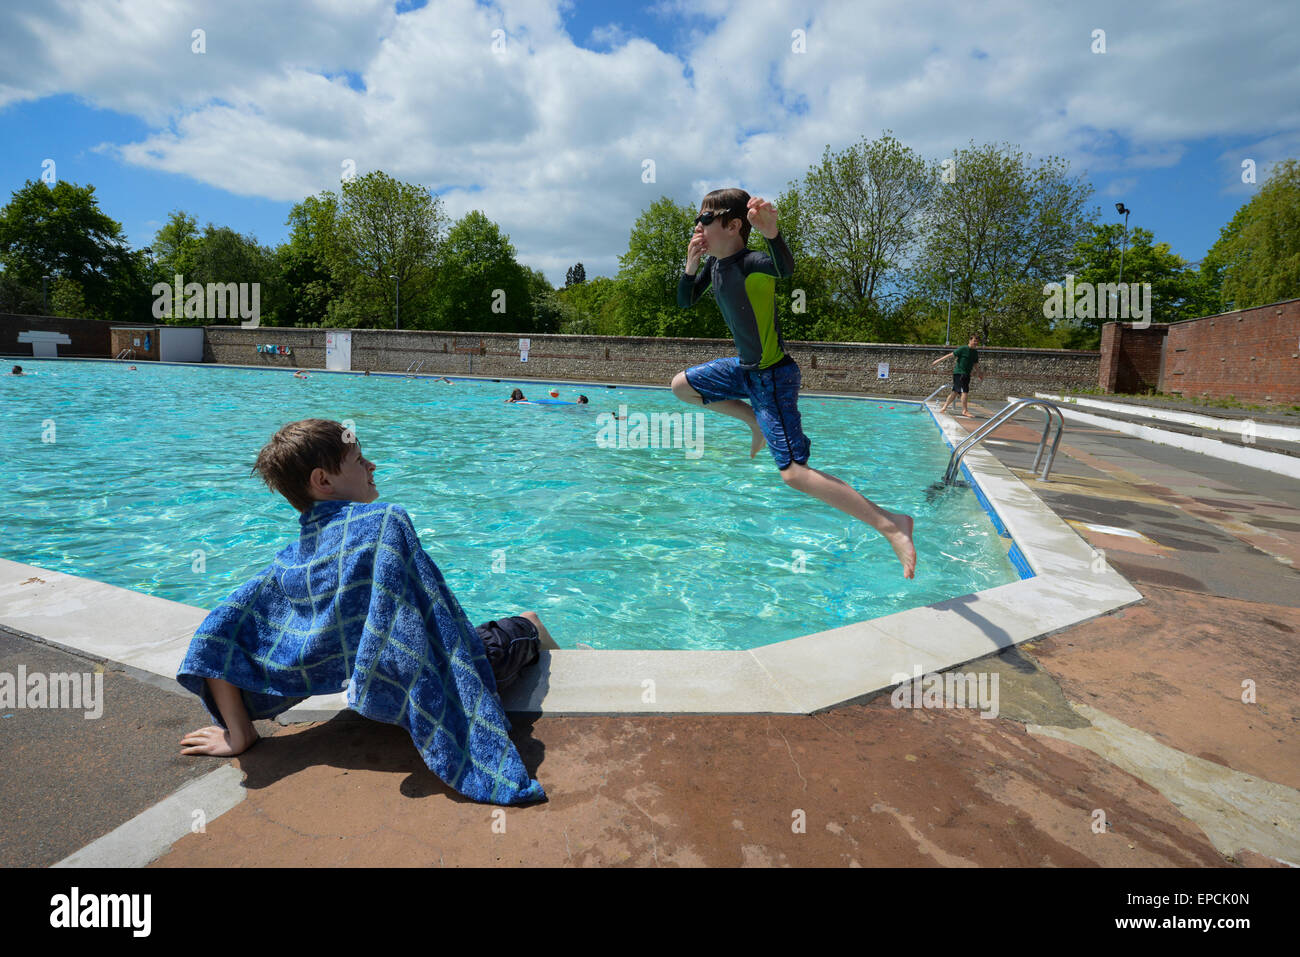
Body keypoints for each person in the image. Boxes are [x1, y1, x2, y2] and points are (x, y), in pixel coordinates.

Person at [177, 418, 556, 804]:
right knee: (525, 626)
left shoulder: (292, 563)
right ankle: (536, 631)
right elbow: (441, 624)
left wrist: (238, 733)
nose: (371, 466)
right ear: (323, 481)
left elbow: (215, 636)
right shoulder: (384, 522)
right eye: (359, 460)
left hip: (388, 686)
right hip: (444, 672)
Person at [672, 188, 916, 578]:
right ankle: (754, 422)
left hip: (773, 377)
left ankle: (892, 525)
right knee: (682, 386)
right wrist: (690, 264)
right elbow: (685, 302)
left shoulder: (752, 262)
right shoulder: (714, 267)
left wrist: (772, 234)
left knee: (794, 474)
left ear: (733, 225)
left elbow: (785, 270)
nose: (697, 226)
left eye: (704, 219)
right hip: (746, 368)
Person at [932, 335, 983, 418]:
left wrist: (979, 373)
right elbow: (950, 355)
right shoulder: (963, 349)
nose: (976, 343)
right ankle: (965, 411)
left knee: (955, 392)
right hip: (959, 373)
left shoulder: (975, 352)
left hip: (966, 374)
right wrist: (938, 361)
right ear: (970, 341)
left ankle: (944, 407)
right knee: (965, 391)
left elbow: (975, 364)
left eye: (977, 342)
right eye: (974, 341)